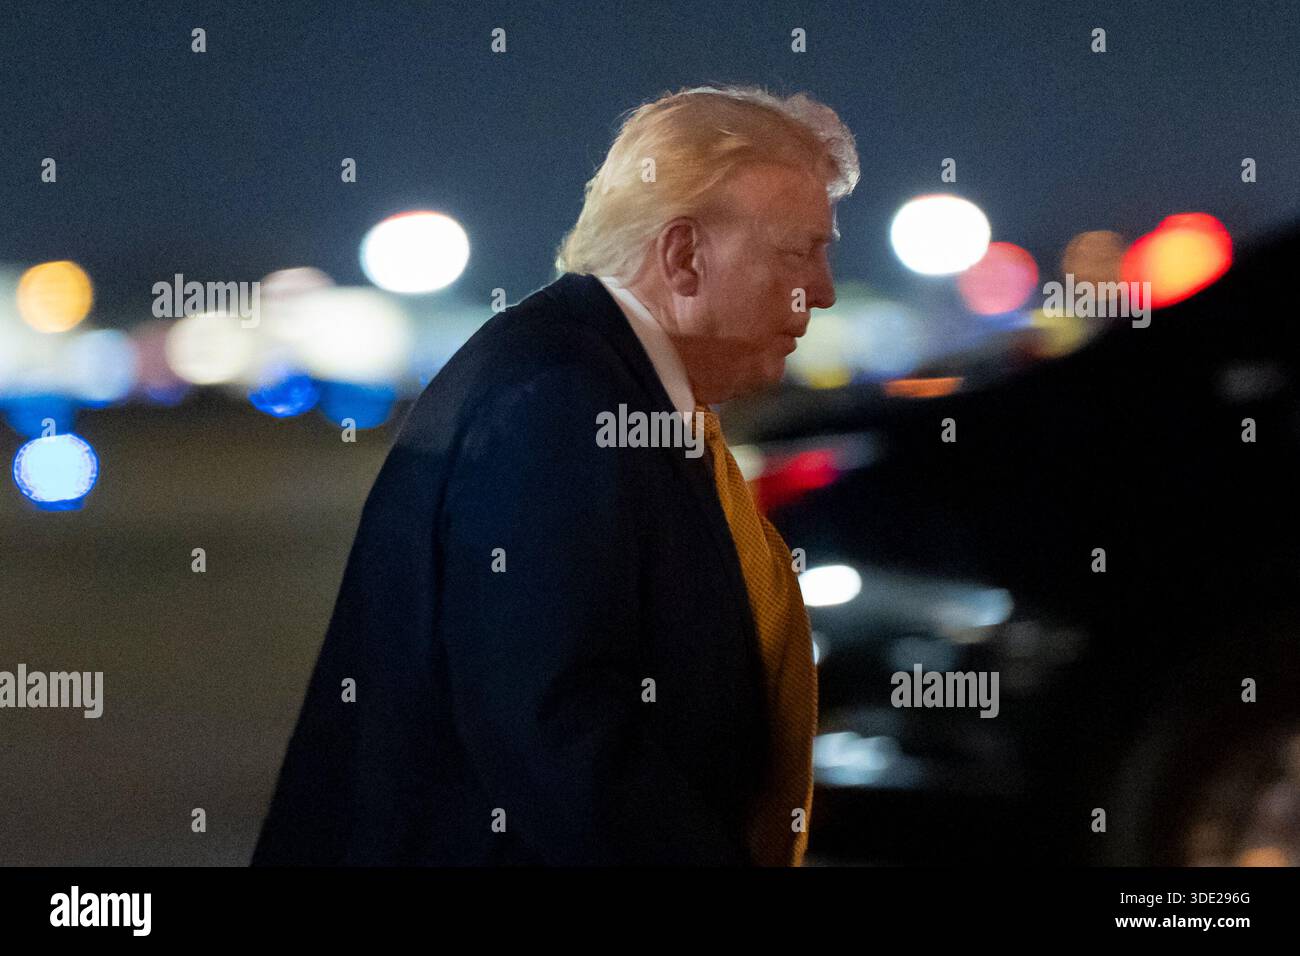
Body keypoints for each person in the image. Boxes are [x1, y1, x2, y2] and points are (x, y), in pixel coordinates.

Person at [251, 83, 859, 866]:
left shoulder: (605, 385)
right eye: (798, 252)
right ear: (682, 256)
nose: (825, 289)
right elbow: (564, 734)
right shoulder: (560, 403)